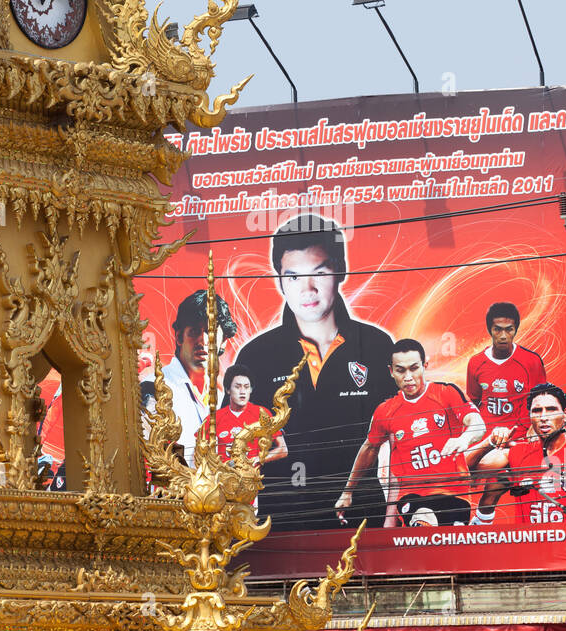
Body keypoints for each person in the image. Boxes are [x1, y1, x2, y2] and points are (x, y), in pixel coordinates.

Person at [234, 214, 396, 533]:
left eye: (319, 273)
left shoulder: (377, 346)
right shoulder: (255, 356)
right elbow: (243, 443)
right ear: (280, 280)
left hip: (364, 513)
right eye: (293, 277)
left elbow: (394, 433)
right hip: (282, 519)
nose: (307, 289)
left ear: (340, 270)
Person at [335, 339, 486, 529]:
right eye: (401, 370)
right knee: (424, 517)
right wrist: (347, 492)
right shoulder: (385, 411)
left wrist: (464, 439)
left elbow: (477, 423)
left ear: (425, 366)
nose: (408, 377)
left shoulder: (446, 393)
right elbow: (369, 448)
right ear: (391, 371)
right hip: (412, 497)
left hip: (454, 494)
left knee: (447, 543)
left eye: (414, 368)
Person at [471, 382, 566, 526]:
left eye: (551, 409)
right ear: (530, 416)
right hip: (531, 544)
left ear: (565, 414)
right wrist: (489, 442)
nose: (543, 417)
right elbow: (464, 471)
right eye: (537, 411)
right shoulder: (518, 453)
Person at [163, 289, 238, 466]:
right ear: (179, 337)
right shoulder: (156, 388)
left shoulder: (223, 398)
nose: (203, 341)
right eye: (194, 331)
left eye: (210, 332)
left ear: (223, 341)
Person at [464, 301, 547, 459]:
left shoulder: (531, 361)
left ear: (515, 330)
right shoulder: (476, 362)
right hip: (487, 440)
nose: (503, 336)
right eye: (498, 329)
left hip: (520, 438)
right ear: (490, 330)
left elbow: (542, 400)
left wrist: (533, 430)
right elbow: (474, 403)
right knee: (486, 481)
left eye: (509, 329)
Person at [208, 365, 288, 465]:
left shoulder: (261, 413)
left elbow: (283, 449)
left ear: (250, 390)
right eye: (237, 387)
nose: (242, 392)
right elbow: (198, 451)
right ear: (228, 390)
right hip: (222, 478)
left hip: (251, 478)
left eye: (246, 387)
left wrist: (258, 459)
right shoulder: (215, 418)